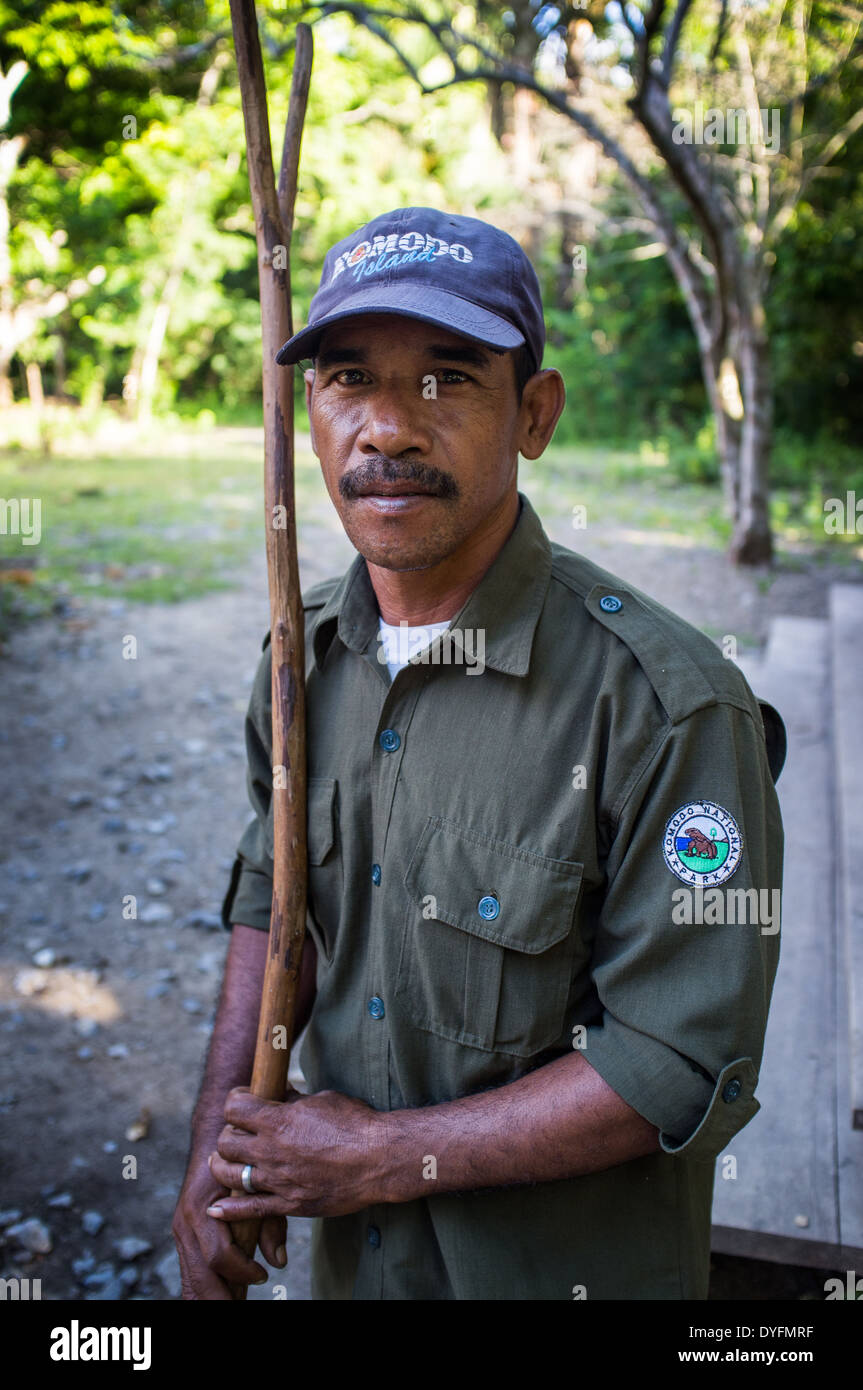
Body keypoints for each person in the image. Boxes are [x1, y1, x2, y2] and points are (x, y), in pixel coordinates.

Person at [172, 206, 784, 1301]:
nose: (388, 429)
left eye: (446, 381)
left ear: (533, 413)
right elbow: (276, 906)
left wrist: (373, 1158)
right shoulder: (296, 664)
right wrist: (214, 1144)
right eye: (349, 379)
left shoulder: (669, 709)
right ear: (305, 411)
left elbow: (674, 1064)